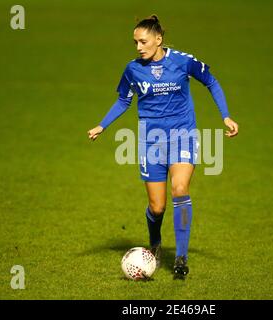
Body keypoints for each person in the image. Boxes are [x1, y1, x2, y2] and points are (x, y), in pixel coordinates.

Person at [88, 15, 238, 279]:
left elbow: (211, 81)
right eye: (135, 42)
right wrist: (103, 125)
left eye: (143, 41)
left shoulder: (183, 61)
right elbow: (124, 101)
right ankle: (155, 243)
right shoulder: (132, 69)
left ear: (159, 39)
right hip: (150, 141)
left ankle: (180, 258)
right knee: (157, 207)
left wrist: (225, 115)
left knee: (180, 188)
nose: (138, 47)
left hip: (183, 135)